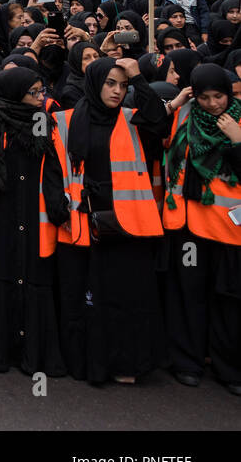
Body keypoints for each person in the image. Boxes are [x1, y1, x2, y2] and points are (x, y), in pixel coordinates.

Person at [52, 57, 167, 385]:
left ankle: (125, 364)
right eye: (110, 84)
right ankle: (90, 364)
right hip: (82, 223)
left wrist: (138, 76)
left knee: (124, 300)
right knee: (86, 300)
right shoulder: (65, 120)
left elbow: (159, 121)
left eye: (123, 86)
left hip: (126, 227)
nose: (117, 91)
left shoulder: (133, 119)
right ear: (94, 83)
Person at [0, 66, 67, 376]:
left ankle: (29, 354)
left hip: (33, 208)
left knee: (31, 271)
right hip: (0, 209)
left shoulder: (39, 122)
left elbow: (46, 160)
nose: (39, 98)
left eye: (40, 91)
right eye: (33, 92)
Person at [161, 63, 241, 395]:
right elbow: (152, 131)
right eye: (205, 97)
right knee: (188, 296)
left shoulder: (237, 121)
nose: (212, 104)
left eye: (219, 96)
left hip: (228, 229)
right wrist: (175, 102)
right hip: (188, 226)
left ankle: (230, 368)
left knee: (229, 301)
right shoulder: (184, 114)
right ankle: (187, 361)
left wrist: (237, 141)